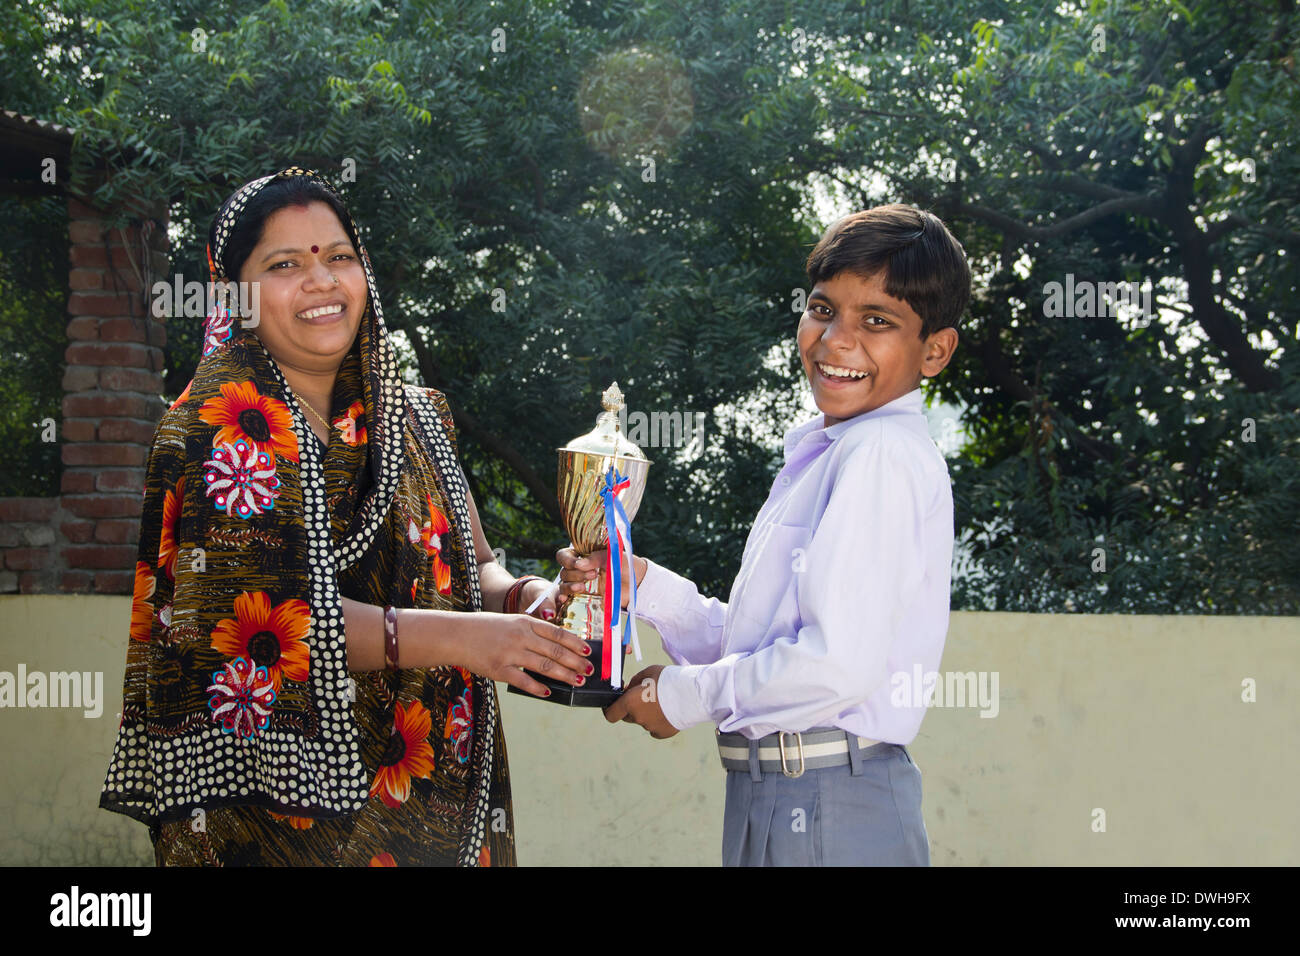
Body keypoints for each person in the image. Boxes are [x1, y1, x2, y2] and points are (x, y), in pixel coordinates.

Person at [101, 167, 594, 866]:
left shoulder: (415, 415)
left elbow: (472, 565)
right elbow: (269, 622)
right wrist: (473, 640)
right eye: (284, 264)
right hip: (276, 810)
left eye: (338, 256)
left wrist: (528, 599)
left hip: (430, 781)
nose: (321, 280)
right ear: (235, 292)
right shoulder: (218, 425)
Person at [559, 204, 969, 866]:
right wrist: (645, 587)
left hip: (829, 804)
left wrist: (681, 695)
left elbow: (834, 665)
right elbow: (769, 647)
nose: (836, 339)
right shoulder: (829, 452)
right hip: (783, 795)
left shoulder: (881, 455)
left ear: (935, 350)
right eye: (823, 308)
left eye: (877, 321)